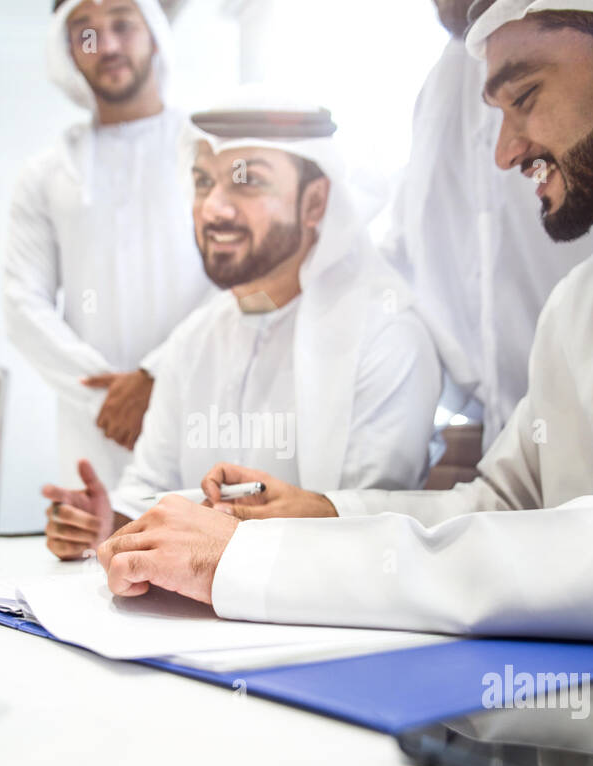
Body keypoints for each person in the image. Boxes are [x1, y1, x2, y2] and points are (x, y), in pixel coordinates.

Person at [95, 0, 593, 694]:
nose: (507, 151)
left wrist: (254, 565)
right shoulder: (582, 299)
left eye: (526, 95)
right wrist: (320, 515)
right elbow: (500, 507)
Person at [42, 96, 442, 559]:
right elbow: (149, 490)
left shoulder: (387, 338)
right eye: (202, 182)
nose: (214, 209)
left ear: (314, 203)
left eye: (246, 182)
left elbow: (364, 528)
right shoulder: (194, 339)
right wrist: (106, 522)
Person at [384, 0, 593, 452]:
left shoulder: (591, 43)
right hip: (500, 444)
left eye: (527, 97)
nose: (505, 155)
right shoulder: (439, 85)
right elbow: (407, 257)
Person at [4, 0, 212, 490]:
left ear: (155, 32)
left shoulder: (211, 150)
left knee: (211, 550)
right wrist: (110, 398)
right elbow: (21, 306)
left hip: (202, 404)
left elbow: (237, 286)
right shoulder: (46, 173)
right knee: (100, 554)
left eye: (122, 24)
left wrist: (156, 377)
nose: (108, 45)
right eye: (86, 32)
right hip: (95, 429)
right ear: (68, 50)